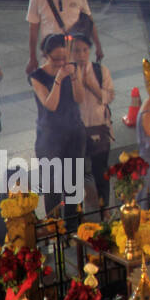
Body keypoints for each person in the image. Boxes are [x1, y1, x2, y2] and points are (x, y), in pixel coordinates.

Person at [28, 34, 87, 219]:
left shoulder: (72, 68)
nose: (61, 62)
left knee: (73, 182)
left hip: (74, 131)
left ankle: (74, 225)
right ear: (46, 55)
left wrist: (74, 77)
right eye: (56, 59)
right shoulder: (37, 76)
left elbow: (79, 98)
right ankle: (54, 227)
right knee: (53, 185)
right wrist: (59, 79)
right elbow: (50, 104)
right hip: (50, 137)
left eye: (64, 57)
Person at [26, 0, 103, 75]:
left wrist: (98, 46)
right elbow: (33, 28)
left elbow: (88, 19)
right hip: (51, 51)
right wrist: (32, 57)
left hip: (74, 50)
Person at [69, 34, 112, 211]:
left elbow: (108, 96)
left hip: (98, 129)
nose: (81, 55)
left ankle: (104, 210)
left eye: (85, 50)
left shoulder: (100, 71)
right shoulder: (66, 73)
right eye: (77, 50)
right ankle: (77, 214)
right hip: (76, 131)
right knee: (75, 175)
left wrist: (90, 84)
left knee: (101, 172)